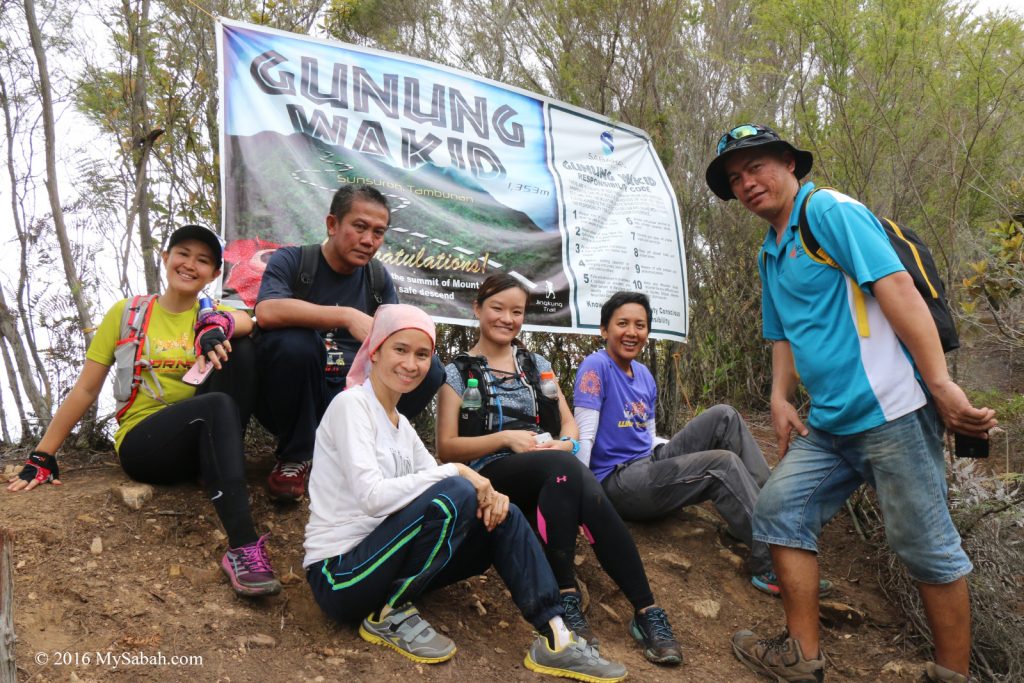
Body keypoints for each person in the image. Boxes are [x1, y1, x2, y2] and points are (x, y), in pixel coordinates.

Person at [705, 123, 997, 683]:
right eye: (736, 178)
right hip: (831, 423)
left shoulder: (831, 212)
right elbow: (783, 333)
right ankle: (801, 656)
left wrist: (940, 384)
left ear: (790, 163)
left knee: (925, 546)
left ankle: (951, 674)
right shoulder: (771, 250)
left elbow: (897, 290)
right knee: (779, 510)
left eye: (757, 167)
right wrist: (780, 398)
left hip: (894, 411)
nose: (747, 183)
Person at [303, 303, 626, 682]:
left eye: (422, 354)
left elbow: (436, 482)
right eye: (400, 350)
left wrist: (490, 495)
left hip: (385, 559)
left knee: (501, 514)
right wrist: (460, 472)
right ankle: (389, 614)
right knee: (456, 488)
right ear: (374, 352)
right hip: (342, 576)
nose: (411, 363)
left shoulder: (402, 426)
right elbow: (373, 496)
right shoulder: (351, 405)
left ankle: (555, 636)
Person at [7, 224, 281, 598]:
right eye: (182, 253)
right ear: (166, 258)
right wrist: (43, 455)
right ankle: (243, 548)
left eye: (203, 260)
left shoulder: (213, 314)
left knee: (243, 347)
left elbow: (252, 321)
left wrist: (220, 324)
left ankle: (211, 470)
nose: (190, 264)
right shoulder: (128, 313)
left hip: (202, 441)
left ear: (215, 274)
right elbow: (87, 387)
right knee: (215, 404)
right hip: (145, 445)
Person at [435, 274, 683, 666]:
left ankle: (641, 610)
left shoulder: (538, 366)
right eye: (497, 308)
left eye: (516, 311)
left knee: (565, 471)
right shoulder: (456, 371)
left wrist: (561, 443)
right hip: (494, 473)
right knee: (564, 469)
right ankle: (586, 600)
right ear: (478, 309)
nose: (507, 319)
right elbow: (446, 447)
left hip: (550, 465)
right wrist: (507, 439)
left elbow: (569, 428)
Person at [573, 291, 832, 599]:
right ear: (604, 330)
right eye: (622, 324)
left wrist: (683, 452)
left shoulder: (643, 374)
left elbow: (646, 435)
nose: (632, 332)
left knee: (725, 415)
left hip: (649, 461)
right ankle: (770, 561)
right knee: (720, 464)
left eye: (640, 325)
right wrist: (582, 503)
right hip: (619, 482)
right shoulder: (595, 367)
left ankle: (774, 514)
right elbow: (584, 436)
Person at [254, 184, 444, 501]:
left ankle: (373, 448)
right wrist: (346, 317)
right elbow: (267, 311)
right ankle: (295, 456)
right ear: (332, 224)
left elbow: (401, 339)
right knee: (294, 342)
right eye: (359, 227)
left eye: (378, 232)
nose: (369, 240)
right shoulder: (294, 261)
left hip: (350, 399)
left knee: (431, 369)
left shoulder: (378, 279)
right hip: (297, 397)